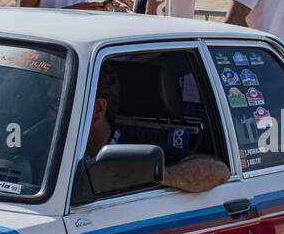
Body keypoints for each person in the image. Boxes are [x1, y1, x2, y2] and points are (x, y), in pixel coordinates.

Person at [83, 67, 229, 192]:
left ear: (98, 109)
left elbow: (218, 170)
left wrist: (144, 176)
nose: (59, 111)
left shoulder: (144, 145)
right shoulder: (64, 149)